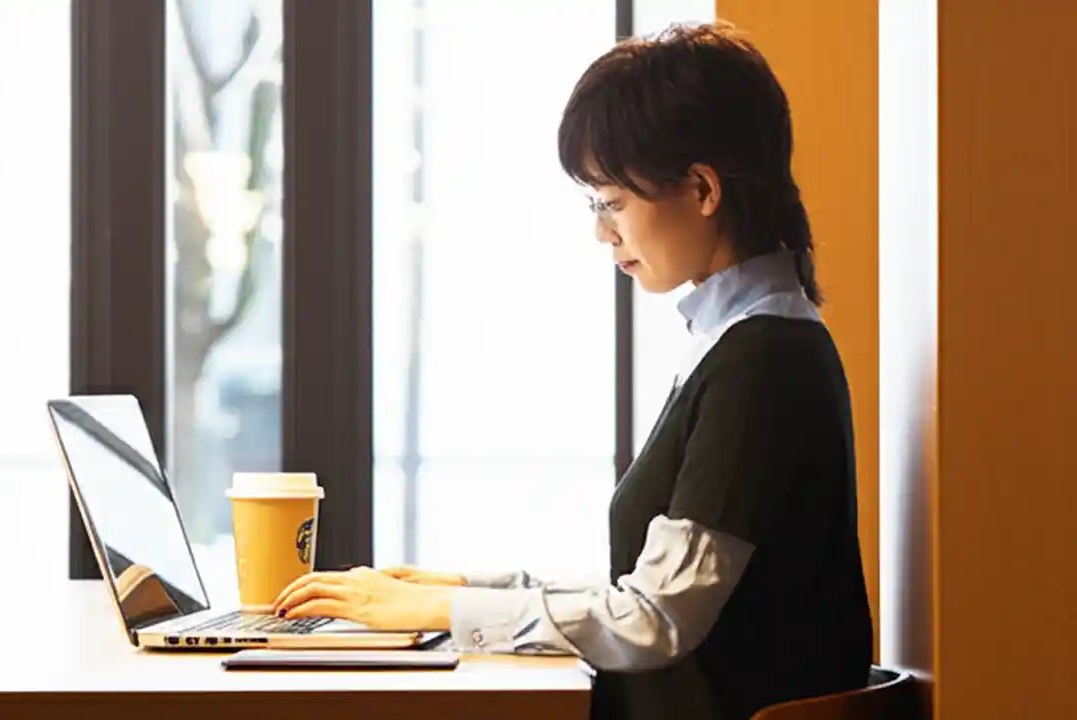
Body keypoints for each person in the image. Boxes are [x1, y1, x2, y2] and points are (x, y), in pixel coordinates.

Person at [274, 22, 872, 720]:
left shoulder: (764, 360)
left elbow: (654, 622)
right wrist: (465, 586)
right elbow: (648, 590)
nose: (602, 231)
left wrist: (439, 607)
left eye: (612, 202)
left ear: (704, 189)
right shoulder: (748, 342)